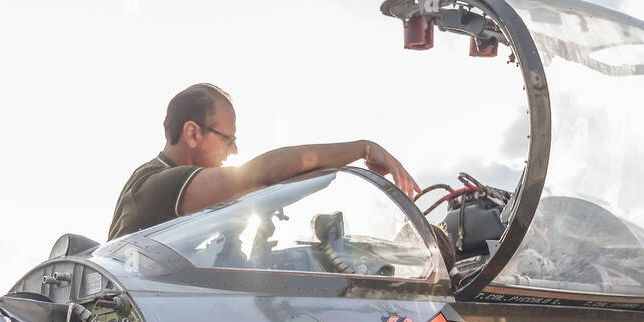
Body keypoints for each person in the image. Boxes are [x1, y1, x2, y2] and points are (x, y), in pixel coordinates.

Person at [107, 83, 420, 240]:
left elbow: (271, 182)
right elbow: (264, 173)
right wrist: (363, 149)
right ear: (192, 133)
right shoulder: (159, 185)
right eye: (227, 139)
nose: (233, 151)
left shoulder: (160, 183)